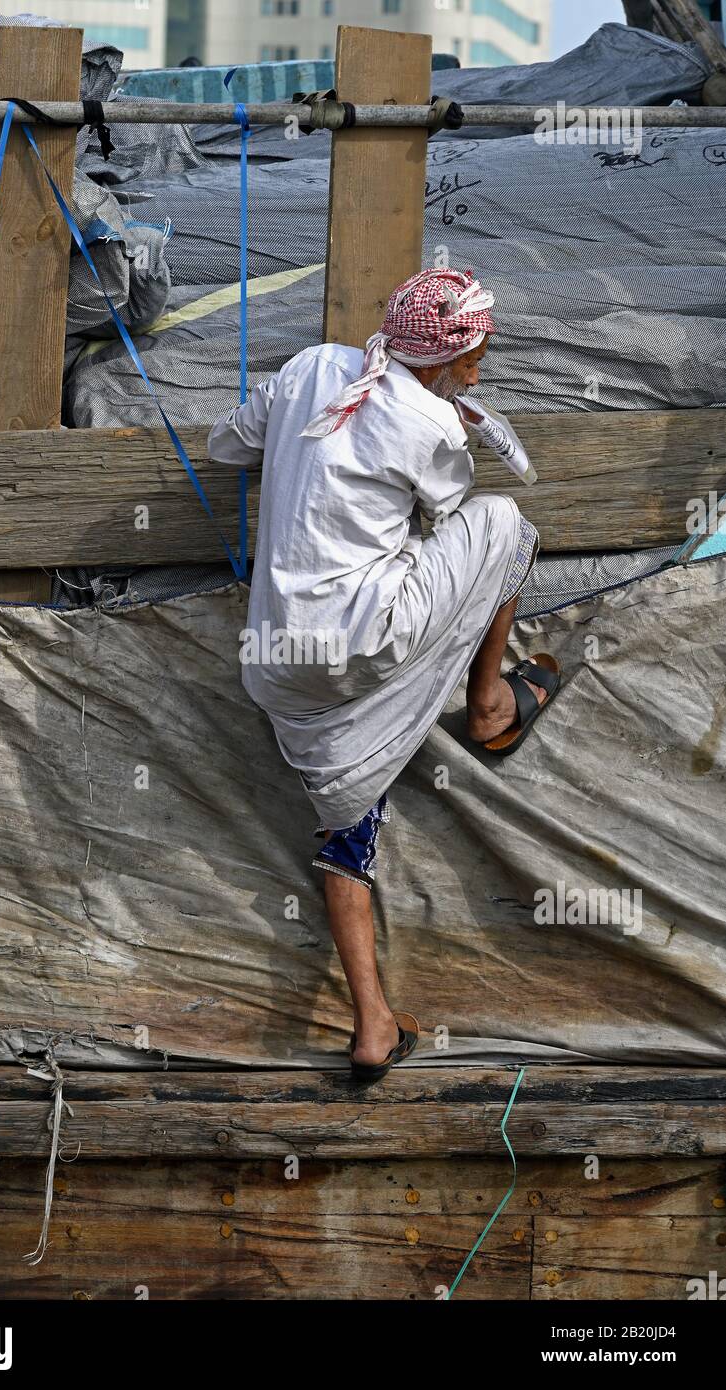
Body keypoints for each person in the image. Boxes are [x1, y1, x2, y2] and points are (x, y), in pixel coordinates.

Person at [207, 267, 560, 1080]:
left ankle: (372, 1026)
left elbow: (228, 445)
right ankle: (489, 702)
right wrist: (446, 424)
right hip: (362, 642)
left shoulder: (309, 370)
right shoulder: (431, 422)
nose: (482, 366)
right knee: (504, 524)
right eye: (476, 353)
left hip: (280, 659)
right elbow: (444, 515)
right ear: (447, 359)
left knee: (346, 818)